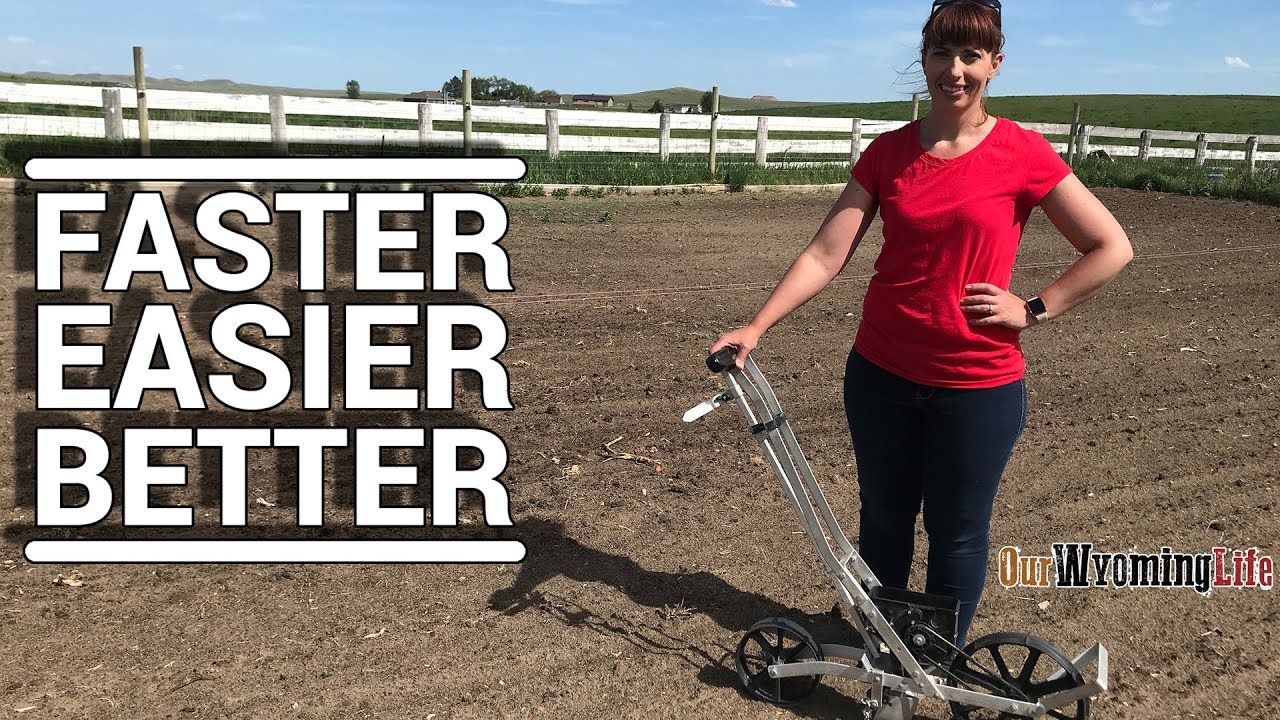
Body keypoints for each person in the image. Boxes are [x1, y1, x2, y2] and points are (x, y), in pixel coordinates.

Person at [708, 0, 1133, 648]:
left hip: (978, 387)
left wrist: (1035, 307)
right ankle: (887, 652)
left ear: (995, 63)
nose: (953, 69)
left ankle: (942, 659)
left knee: (958, 531)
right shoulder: (889, 154)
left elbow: (1110, 245)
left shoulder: (1023, 154)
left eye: (970, 54)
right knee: (883, 520)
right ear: (924, 58)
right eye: (941, 52)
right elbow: (827, 252)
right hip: (880, 377)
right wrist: (757, 326)